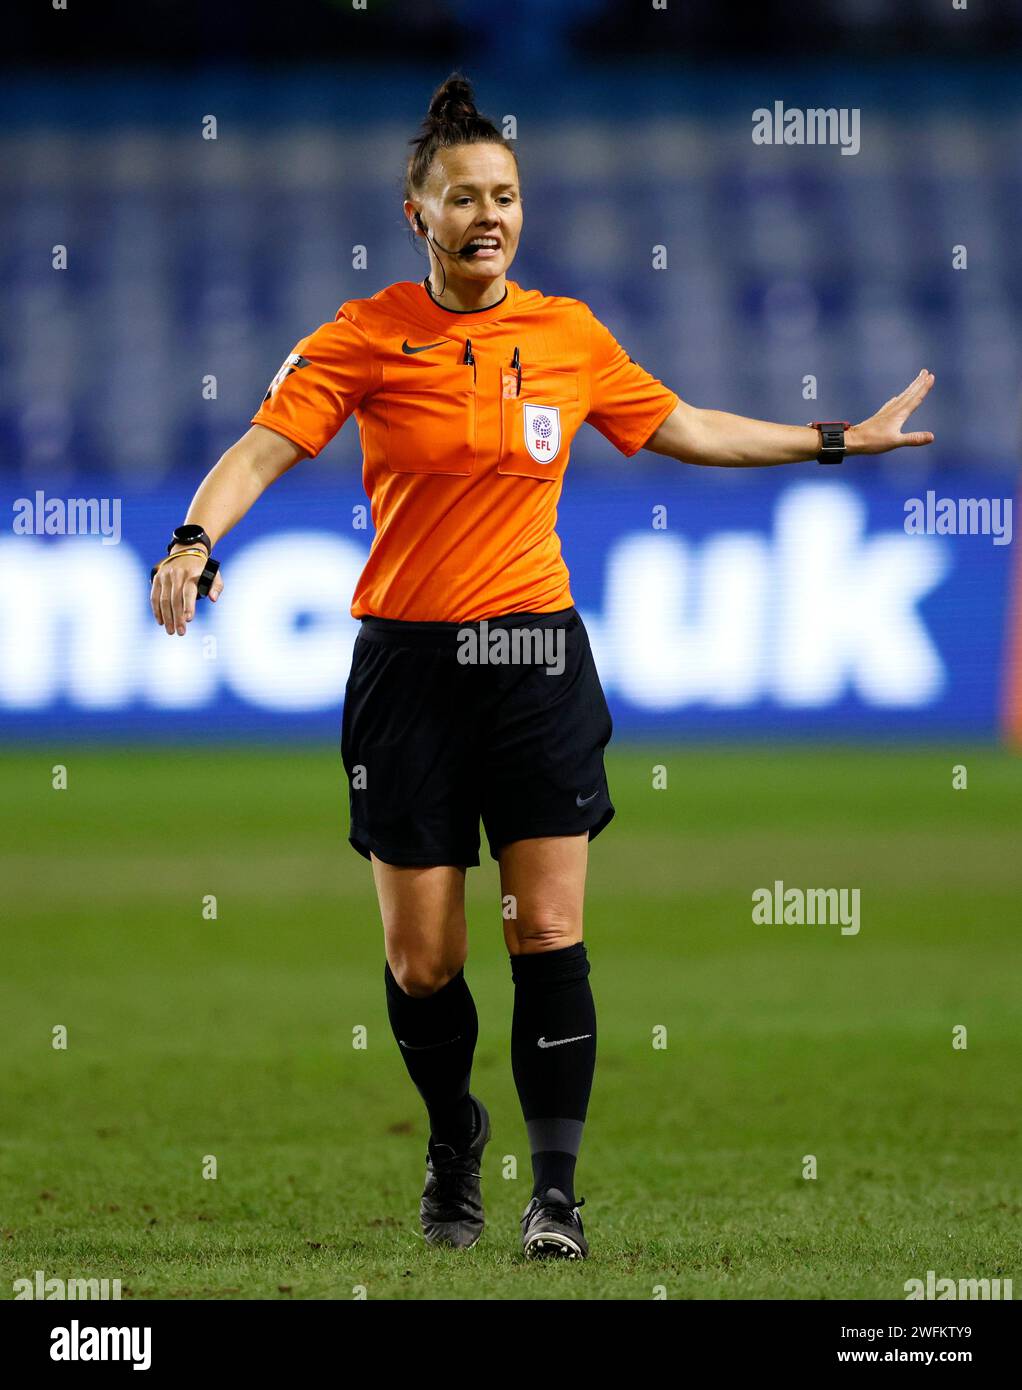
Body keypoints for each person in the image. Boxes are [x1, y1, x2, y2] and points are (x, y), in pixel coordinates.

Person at [150, 73, 935, 1261]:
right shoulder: (359, 337)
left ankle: (554, 1195)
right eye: (463, 197)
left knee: (547, 932)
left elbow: (686, 425)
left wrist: (835, 440)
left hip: (534, 658)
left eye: (506, 196)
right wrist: (195, 539)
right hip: (406, 671)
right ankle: (453, 1135)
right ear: (416, 213)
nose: (489, 215)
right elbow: (260, 450)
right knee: (423, 963)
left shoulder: (567, 336)